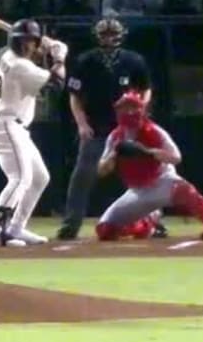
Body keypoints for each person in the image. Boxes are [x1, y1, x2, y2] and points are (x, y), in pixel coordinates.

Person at [57, 17, 154, 241]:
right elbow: (75, 96)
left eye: (112, 34)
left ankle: (152, 222)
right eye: (105, 34)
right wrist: (81, 124)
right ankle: (71, 224)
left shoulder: (133, 60)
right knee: (82, 176)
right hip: (97, 127)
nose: (109, 39)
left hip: (127, 128)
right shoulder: (86, 61)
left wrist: (140, 109)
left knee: (143, 176)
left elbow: (146, 89)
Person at [95, 90, 203, 242]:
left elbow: (176, 158)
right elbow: (101, 171)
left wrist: (147, 152)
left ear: (142, 110)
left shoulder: (155, 132)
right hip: (137, 191)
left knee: (189, 193)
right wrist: (114, 154)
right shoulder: (114, 137)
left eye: (133, 107)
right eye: (124, 108)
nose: (128, 112)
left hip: (162, 181)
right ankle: (146, 225)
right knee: (105, 229)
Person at [0, 19, 67, 248]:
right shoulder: (20, 66)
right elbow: (57, 82)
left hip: (14, 127)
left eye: (30, 41)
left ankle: (16, 227)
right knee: (20, 178)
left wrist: (43, 48)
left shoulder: (7, 57)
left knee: (40, 178)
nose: (28, 46)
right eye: (25, 42)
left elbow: (35, 65)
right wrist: (59, 54)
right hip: (7, 125)